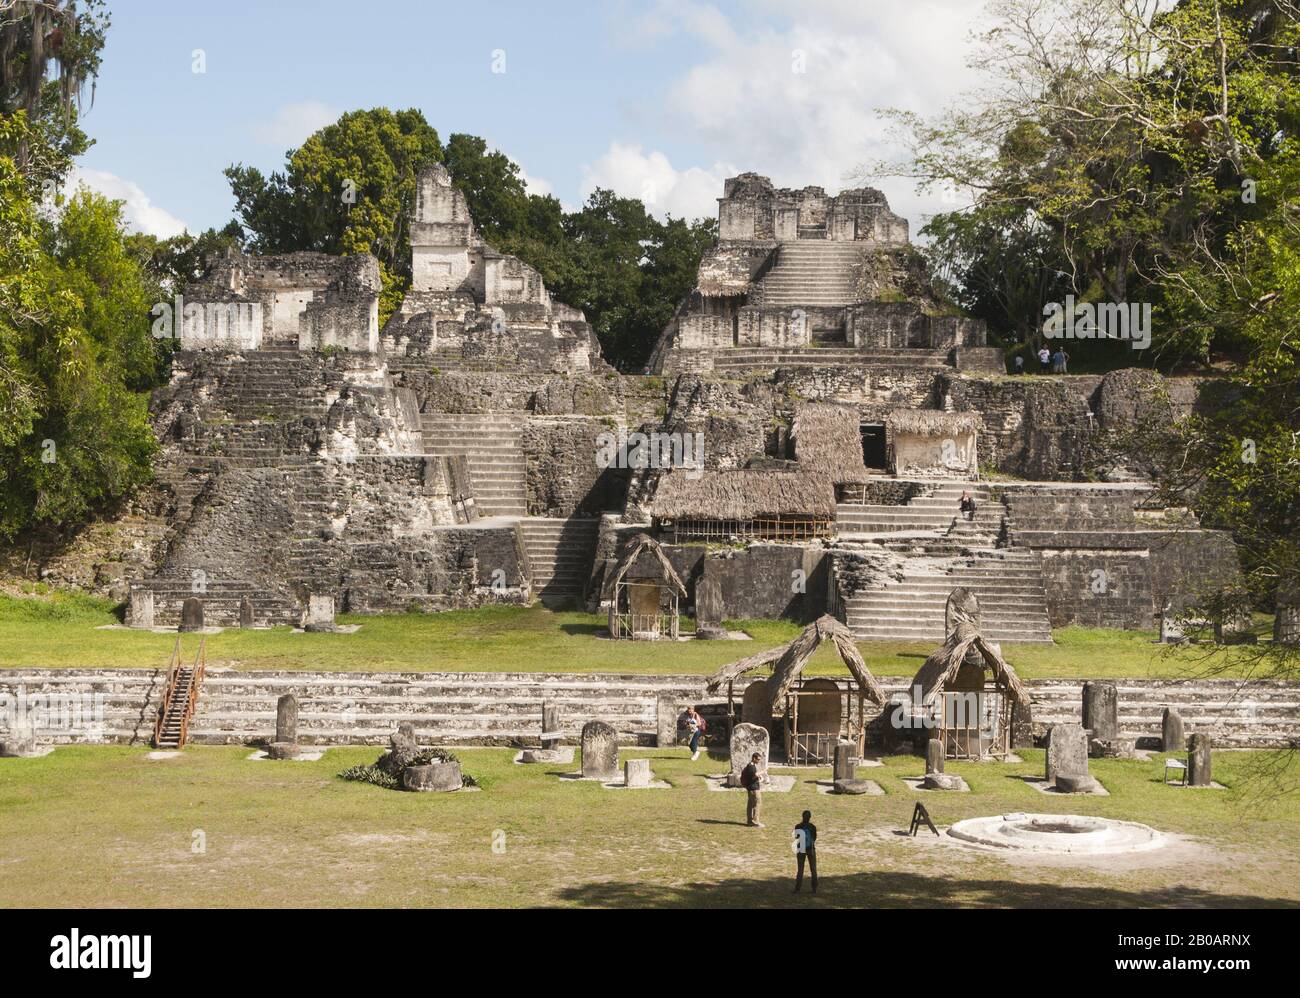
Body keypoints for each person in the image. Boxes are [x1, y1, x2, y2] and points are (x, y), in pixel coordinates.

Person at [793, 810, 818, 893]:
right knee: (813, 869)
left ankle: (798, 888)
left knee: (800, 869)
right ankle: (814, 888)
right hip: (810, 848)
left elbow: (796, 837)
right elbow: (814, 838)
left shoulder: (798, 826)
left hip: (801, 848)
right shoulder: (812, 827)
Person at [741, 752, 764, 827]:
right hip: (754, 789)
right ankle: (755, 822)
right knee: (757, 804)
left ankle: (750, 821)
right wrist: (764, 771)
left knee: (750, 805)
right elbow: (755, 775)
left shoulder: (751, 766)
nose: (758, 761)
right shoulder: (751, 766)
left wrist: (758, 778)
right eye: (758, 759)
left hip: (751, 788)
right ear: (754, 758)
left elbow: (753, 777)